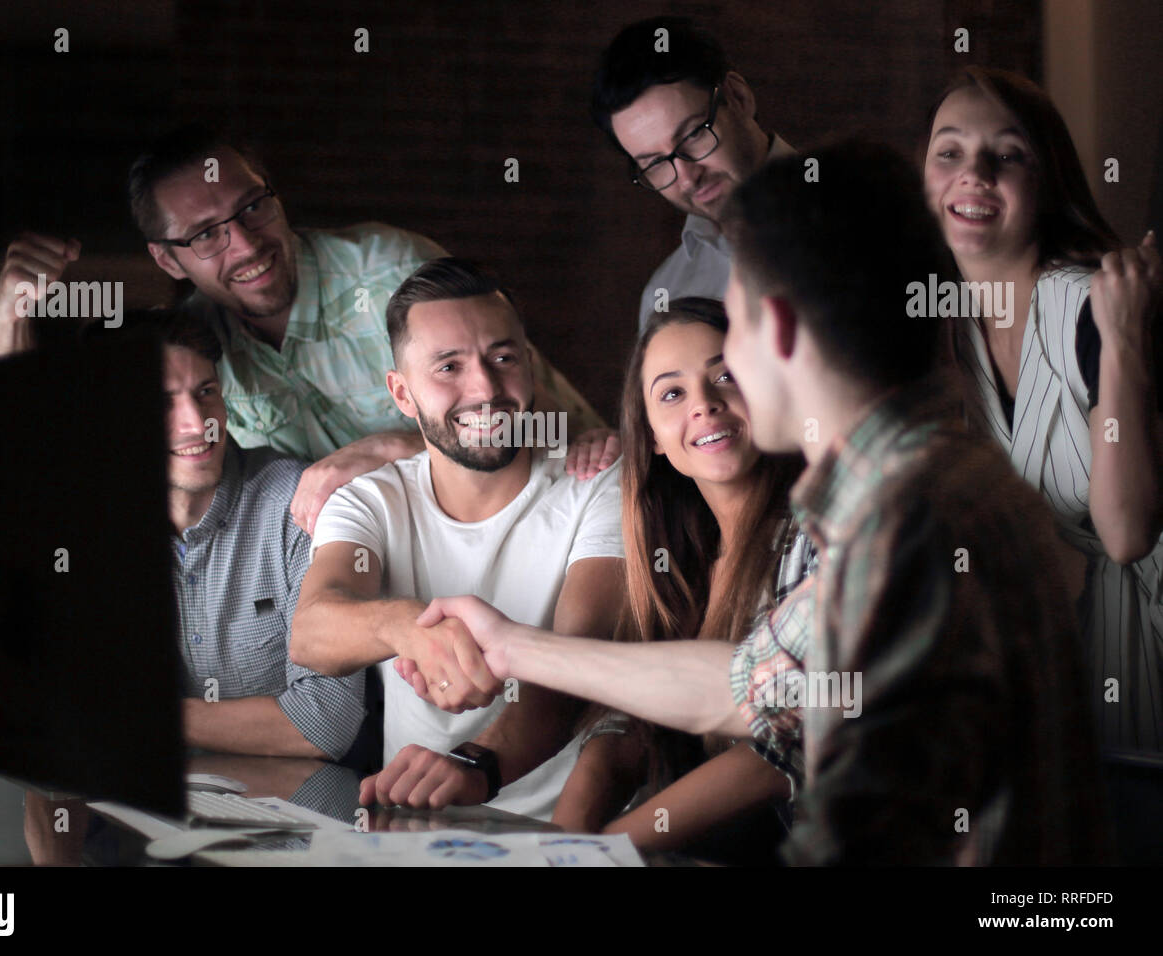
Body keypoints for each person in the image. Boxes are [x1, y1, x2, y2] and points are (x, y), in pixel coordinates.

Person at [419, 141, 1109, 864]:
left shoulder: (900, 518)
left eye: (735, 329)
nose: (725, 379)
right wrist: (510, 646)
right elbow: (750, 684)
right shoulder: (935, 478)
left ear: (776, 328)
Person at [0, 125, 607, 532]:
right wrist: (7, 315)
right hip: (383, 568)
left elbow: (518, 424)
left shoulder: (392, 271)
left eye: (252, 207)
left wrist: (380, 448)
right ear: (168, 260)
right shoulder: (193, 346)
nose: (245, 243)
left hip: (553, 509)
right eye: (205, 234)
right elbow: (18, 453)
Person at [288, 257, 626, 822]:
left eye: (503, 357)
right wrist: (410, 628)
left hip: (572, 827)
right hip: (416, 824)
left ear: (530, 366)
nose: (485, 388)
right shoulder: (368, 501)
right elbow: (311, 633)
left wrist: (478, 764)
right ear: (402, 393)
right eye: (448, 367)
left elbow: (578, 663)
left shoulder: (597, 484)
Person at [923, 66, 1163, 754]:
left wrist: (1122, 339)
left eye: (1007, 154)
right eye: (949, 152)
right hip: (1068, 647)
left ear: (1047, 178)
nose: (974, 173)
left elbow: (1125, 533)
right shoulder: (946, 323)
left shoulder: (1093, 305)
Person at [544, 297, 813, 857]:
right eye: (673, 393)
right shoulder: (678, 559)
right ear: (653, 437)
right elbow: (631, 727)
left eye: (727, 376)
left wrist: (603, 851)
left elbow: (784, 742)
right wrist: (561, 839)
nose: (706, 405)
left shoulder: (813, 534)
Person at [105, 307, 367, 760]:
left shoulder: (298, 505)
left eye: (205, 392)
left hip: (309, 817)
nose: (196, 423)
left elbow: (326, 723)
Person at [589, 16, 794, 326]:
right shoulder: (667, 294)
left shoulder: (870, 215)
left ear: (738, 98)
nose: (687, 176)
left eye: (693, 135)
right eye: (656, 163)